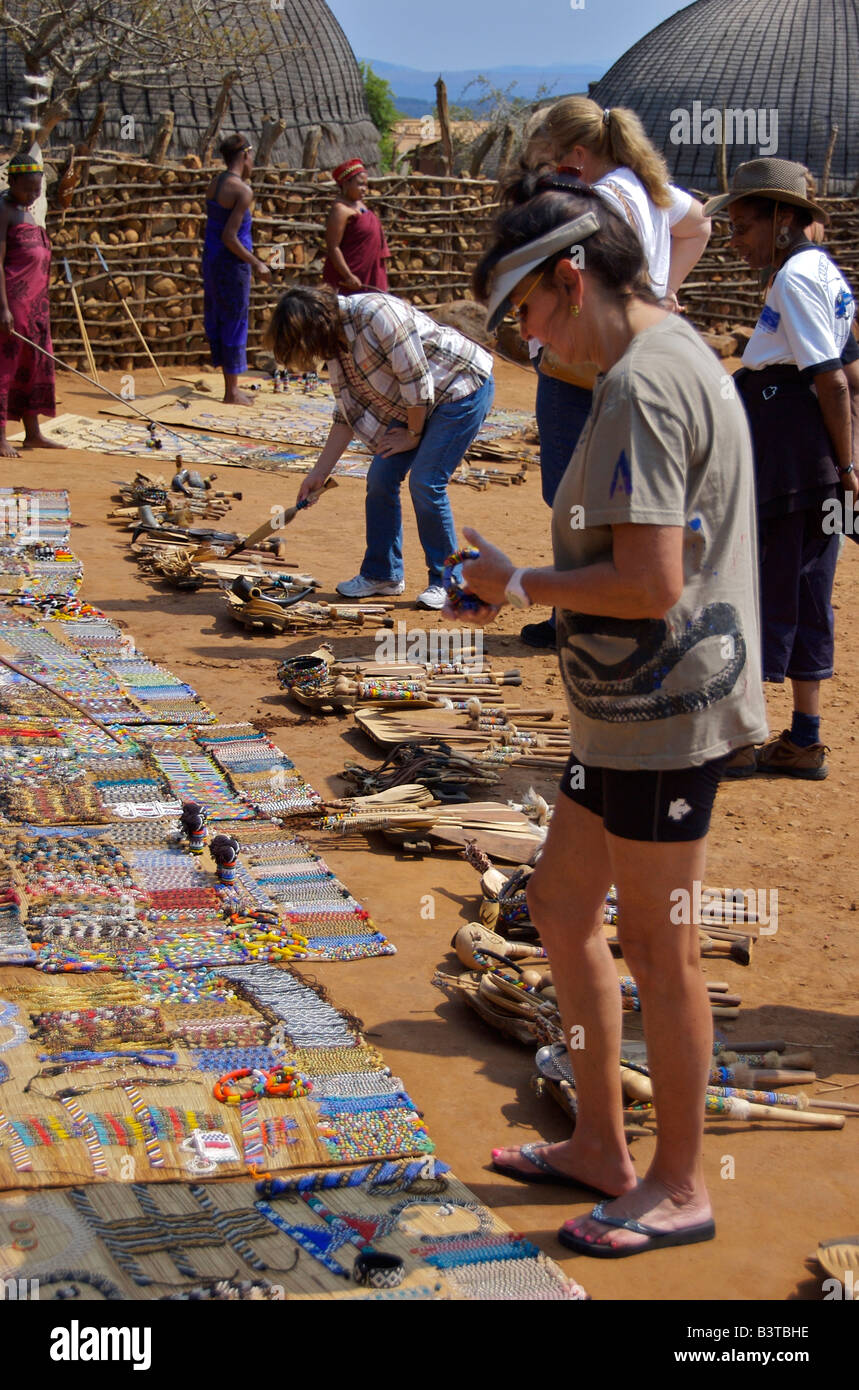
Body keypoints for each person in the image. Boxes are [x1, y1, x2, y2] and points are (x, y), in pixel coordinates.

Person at [460, 175, 767, 1256]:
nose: (533, 343)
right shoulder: (657, 360)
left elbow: (649, 583)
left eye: (532, 317)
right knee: (556, 904)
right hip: (628, 718)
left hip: (661, 715)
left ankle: (680, 1183)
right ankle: (601, 1140)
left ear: (569, 275)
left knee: (658, 942)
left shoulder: (643, 385)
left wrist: (521, 585)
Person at [517, 97, 711, 649]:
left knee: (574, 495)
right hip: (629, 354)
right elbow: (699, 224)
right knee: (623, 492)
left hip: (583, 363)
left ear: (577, 154)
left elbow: (571, 280)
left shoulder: (597, 199)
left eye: (555, 160)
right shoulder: (647, 188)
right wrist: (664, 291)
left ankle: (580, 616)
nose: (552, 172)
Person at [705, 159, 858, 780]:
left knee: (759, 589)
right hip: (815, 459)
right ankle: (803, 738)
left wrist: (845, 466)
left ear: (782, 218)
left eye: (742, 227)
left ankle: (742, 740)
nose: (735, 242)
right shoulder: (824, 271)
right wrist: (845, 464)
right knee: (807, 591)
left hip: (793, 458)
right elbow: (851, 370)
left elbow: (831, 379)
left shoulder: (796, 278)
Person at [266, 286, 493, 609]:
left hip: (460, 388)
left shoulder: (376, 315)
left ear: (318, 327)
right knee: (381, 480)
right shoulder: (335, 344)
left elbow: (416, 380)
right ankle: (382, 574)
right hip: (411, 405)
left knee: (426, 482)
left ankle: (449, 581)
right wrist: (319, 473)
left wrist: (413, 434)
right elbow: (346, 413)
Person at [202, 134, 271, 407]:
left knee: (220, 319)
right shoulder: (242, 191)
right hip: (231, 265)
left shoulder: (215, 184)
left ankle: (232, 387)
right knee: (235, 322)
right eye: (251, 157)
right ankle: (231, 392)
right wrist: (257, 263)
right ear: (245, 156)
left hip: (212, 262)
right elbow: (230, 236)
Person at [0, 153, 61, 457]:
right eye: (28, 189)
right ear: (11, 182)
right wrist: (3, 308)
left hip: (36, 306)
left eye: (37, 189)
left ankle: (33, 433)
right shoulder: (3, 210)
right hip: (13, 302)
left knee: (34, 365)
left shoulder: (27, 210)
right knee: (6, 367)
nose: (33, 194)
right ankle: (0, 437)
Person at [322, 159, 390, 294]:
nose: (364, 188)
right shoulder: (340, 210)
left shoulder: (360, 205)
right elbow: (333, 246)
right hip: (351, 280)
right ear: (346, 184)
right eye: (360, 184)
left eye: (366, 185)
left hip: (370, 274)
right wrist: (348, 276)